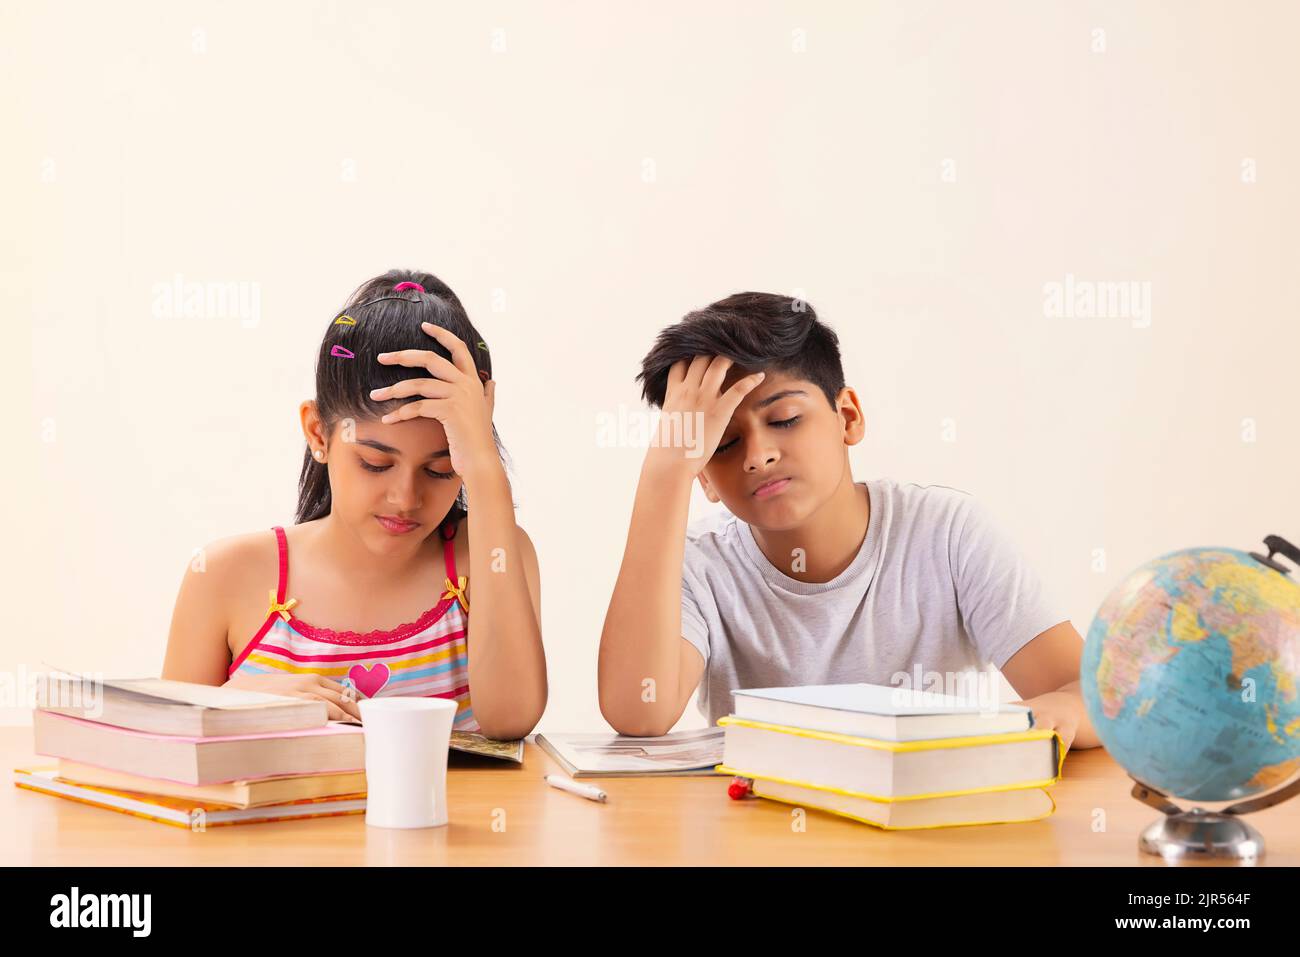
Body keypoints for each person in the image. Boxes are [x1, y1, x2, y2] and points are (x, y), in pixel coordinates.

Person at [598, 291, 1098, 751]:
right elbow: (639, 713)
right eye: (723, 445)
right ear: (704, 477)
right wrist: (665, 474)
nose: (758, 456)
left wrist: (1065, 707)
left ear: (848, 417)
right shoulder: (696, 565)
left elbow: (1089, 695)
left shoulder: (947, 533)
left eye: (785, 420)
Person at [162, 269, 546, 740]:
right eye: (374, 463)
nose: (405, 498)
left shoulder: (489, 556)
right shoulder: (224, 574)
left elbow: (511, 719)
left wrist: (486, 469)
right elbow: (169, 749)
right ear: (318, 433)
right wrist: (247, 706)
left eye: (441, 469)